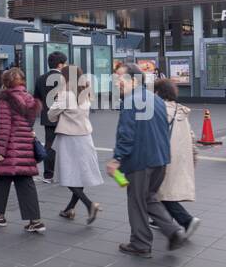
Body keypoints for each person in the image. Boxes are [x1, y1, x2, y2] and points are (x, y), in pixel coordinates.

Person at [108, 64, 186, 257]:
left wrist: (117, 159)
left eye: (120, 78)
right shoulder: (156, 99)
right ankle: (173, 231)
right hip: (160, 158)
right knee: (149, 197)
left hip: (140, 161)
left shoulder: (130, 101)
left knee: (136, 201)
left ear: (133, 81)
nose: (117, 82)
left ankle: (140, 243)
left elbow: (126, 134)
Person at [0, 68, 44, 232]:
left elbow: (4, 127)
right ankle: (34, 220)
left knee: (4, 178)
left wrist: (0, 151)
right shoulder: (29, 98)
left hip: (10, 146)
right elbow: (29, 124)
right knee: (23, 181)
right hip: (25, 145)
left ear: (6, 82)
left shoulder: (6, 99)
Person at [47, 63, 102, 224]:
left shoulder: (66, 94)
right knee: (80, 174)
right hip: (85, 136)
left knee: (69, 175)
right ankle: (69, 209)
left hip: (70, 138)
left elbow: (51, 115)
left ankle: (89, 204)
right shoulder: (86, 92)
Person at [156, 78, 201, 238]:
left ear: (157, 93)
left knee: (159, 192)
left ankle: (186, 220)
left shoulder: (158, 110)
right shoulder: (180, 111)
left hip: (162, 157)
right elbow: (191, 136)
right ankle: (161, 219)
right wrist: (194, 156)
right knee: (163, 190)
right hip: (179, 157)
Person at [34, 51, 66, 183]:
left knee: (49, 146)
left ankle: (48, 175)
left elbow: (37, 98)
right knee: (66, 146)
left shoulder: (41, 78)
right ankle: (65, 173)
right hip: (65, 117)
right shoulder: (66, 78)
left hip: (48, 118)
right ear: (60, 65)